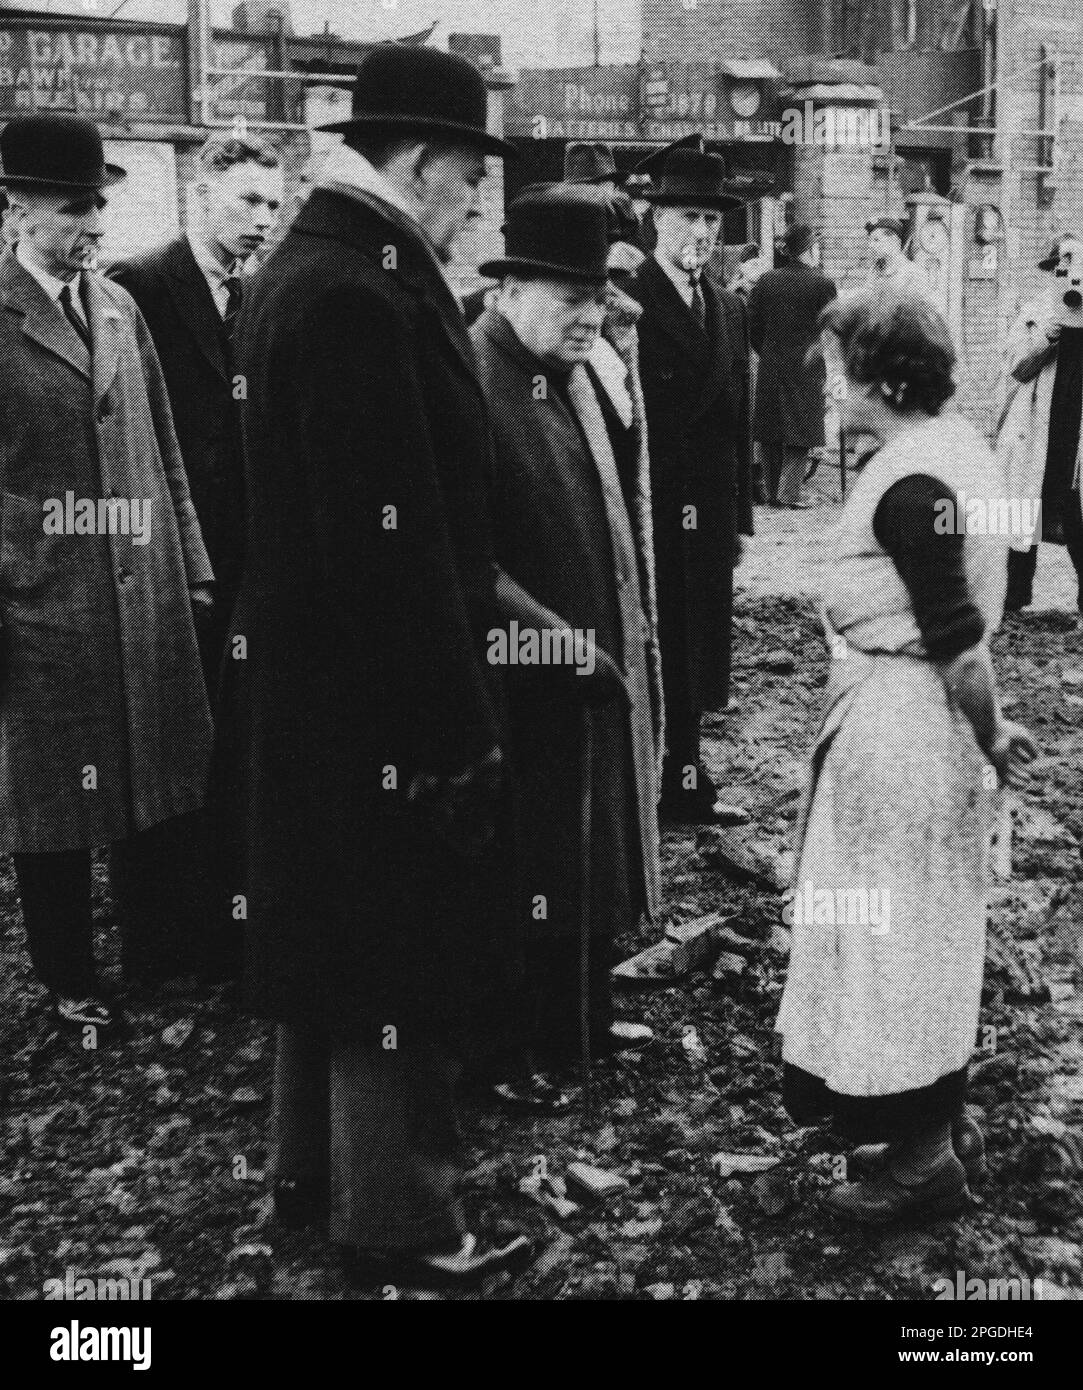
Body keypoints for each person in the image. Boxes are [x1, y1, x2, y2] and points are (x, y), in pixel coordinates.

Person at [227, 44, 530, 1288]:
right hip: (379, 693)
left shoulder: (306, 270)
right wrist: (453, 725)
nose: (473, 204)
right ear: (413, 162)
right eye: (467, 175)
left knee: (323, 936)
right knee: (394, 945)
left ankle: (311, 1172)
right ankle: (405, 1217)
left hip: (310, 684)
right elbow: (389, 545)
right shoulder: (361, 294)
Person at [777, 289, 1037, 1223]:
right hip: (915, 722)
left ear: (884, 378)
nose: (825, 384)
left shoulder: (913, 483)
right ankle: (937, 1122)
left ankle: (920, 1160)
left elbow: (957, 639)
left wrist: (987, 729)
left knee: (891, 939)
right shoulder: (951, 450)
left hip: (904, 724)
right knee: (926, 928)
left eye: (837, 365)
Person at [0, 115, 214, 1027]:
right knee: (53, 795)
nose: (95, 223)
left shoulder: (119, 306)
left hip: (144, 583)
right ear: (16, 206)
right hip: (43, 599)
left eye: (100, 204)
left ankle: (159, 947)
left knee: (151, 769)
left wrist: (192, 565)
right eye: (76, 206)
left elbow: (165, 448)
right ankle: (68, 977)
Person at [471, 188, 662, 1106]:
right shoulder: (477, 378)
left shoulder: (571, 376)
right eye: (568, 295)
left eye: (599, 296)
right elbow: (467, 560)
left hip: (584, 670)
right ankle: (514, 1054)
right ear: (508, 287)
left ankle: (580, 1018)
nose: (590, 315)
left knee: (583, 850)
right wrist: (564, 651)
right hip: (515, 677)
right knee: (524, 864)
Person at [109, 135, 284, 683]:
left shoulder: (260, 292)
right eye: (248, 201)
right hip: (175, 548)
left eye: (273, 206)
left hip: (249, 551)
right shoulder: (138, 285)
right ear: (202, 195)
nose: (263, 220)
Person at [627, 144, 753, 823]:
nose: (701, 233)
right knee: (656, 641)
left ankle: (685, 773)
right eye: (687, 217)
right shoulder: (625, 300)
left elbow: (734, 416)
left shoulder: (729, 309)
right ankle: (655, 780)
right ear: (654, 219)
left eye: (710, 219)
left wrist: (738, 521)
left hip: (705, 508)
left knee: (698, 643)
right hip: (652, 503)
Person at [997, 233, 1083, 614]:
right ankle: (1015, 595)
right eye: (1062, 261)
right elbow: (1016, 366)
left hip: (1075, 428)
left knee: (1076, 508)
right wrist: (1048, 334)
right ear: (1051, 269)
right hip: (1037, 426)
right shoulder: (1036, 310)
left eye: (1076, 261)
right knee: (1023, 509)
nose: (1068, 270)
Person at [749, 224, 837, 508]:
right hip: (807, 368)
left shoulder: (766, 281)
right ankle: (787, 493)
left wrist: (767, 352)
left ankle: (772, 491)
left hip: (771, 364)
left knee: (770, 429)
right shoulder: (823, 285)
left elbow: (752, 327)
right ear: (810, 250)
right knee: (802, 431)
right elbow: (833, 327)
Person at [865, 216, 930, 298]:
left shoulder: (914, 272)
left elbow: (919, 308)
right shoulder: (874, 270)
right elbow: (867, 300)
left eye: (876, 240)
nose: (870, 245)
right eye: (870, 241)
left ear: (893, 241)